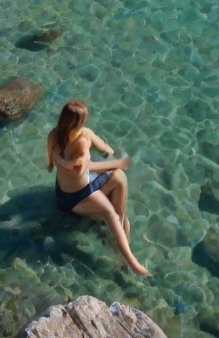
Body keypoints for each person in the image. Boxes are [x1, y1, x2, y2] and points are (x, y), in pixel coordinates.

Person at [46, 100, 149, 276]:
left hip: (65, 192)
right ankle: (131, 261)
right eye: (82, 121)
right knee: (113, 212)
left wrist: (107, 151)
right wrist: (118, 162)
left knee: (117, 177)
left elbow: (52, 165)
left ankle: (118, 237)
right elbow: (84, 169)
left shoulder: (54, 135)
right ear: (77, 123)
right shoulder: (81, 143)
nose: (84, 124)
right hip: (75, 199)